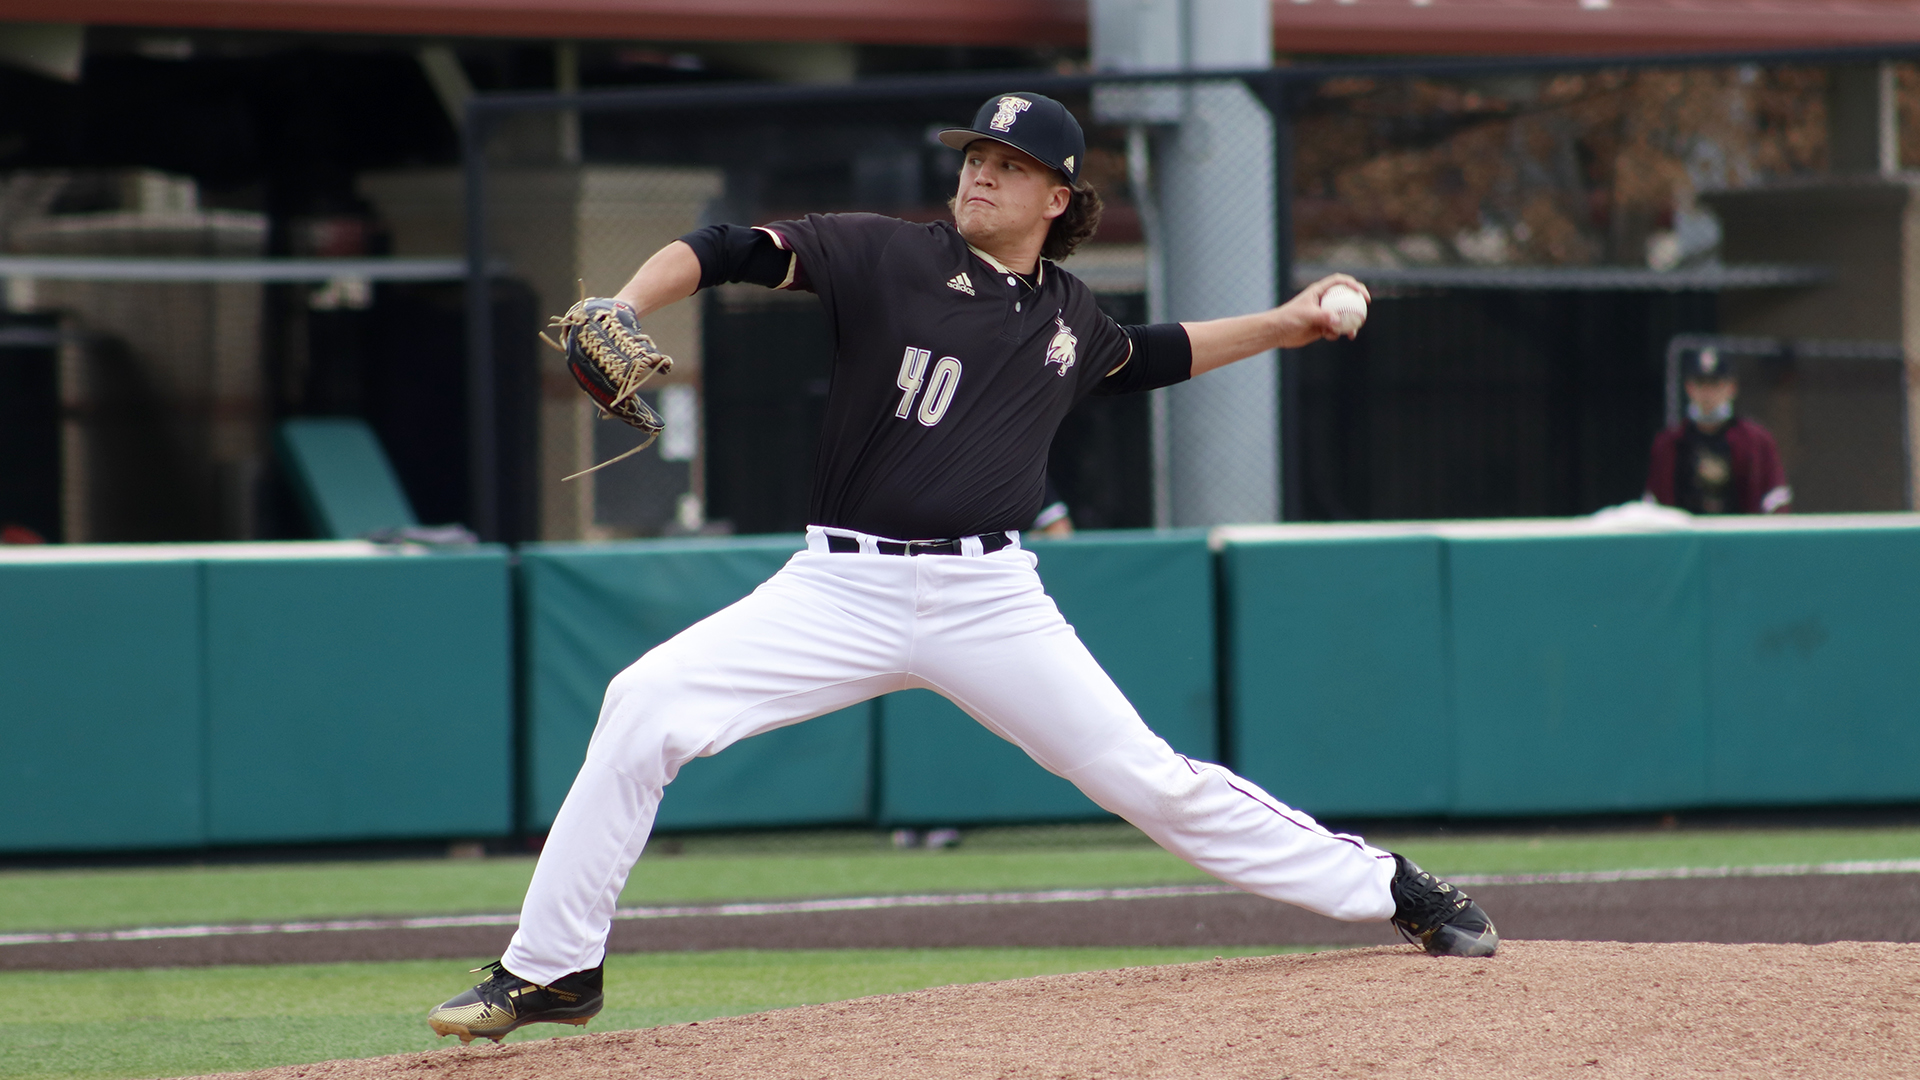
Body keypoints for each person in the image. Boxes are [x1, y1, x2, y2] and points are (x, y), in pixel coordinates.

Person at [426, 91, 1498, 1046]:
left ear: (1057, 198)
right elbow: (727, 246)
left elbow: (1154, 354)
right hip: (839, 589)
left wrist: (1288, 324)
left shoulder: (1069, 317)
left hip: (990, 601)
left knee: (1149, 780)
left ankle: (1392, 888)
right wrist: (624, 303)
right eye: (975, 155)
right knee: (642, 704)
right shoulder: (885, 254)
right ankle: (555, 968)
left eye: (1008, 164)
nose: (980, 172)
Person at [1645, 347, 1790, 515]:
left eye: (1715, 384)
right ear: (1689, 388)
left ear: (1732, 388)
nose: (1708, 393)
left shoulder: (1756, 441)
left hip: (1738, 529)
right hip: (1685, 530)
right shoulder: (1669, 443)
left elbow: (1776, 500)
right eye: (1701, 384)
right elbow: (1653, 504)